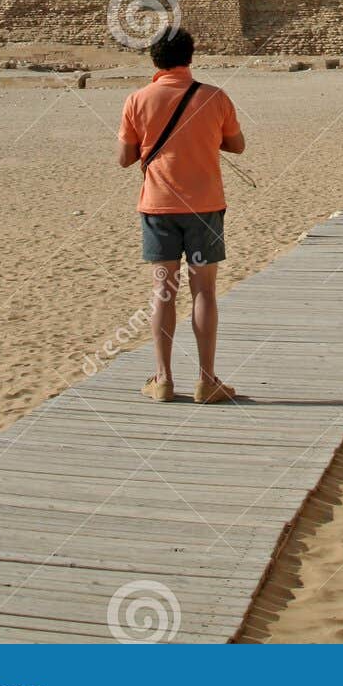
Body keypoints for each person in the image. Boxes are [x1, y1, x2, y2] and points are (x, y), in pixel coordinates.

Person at [117, 25, 245, 403]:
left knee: (163, 291)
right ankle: (207, 380)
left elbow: (124, 159)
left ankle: (163, 379)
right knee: (204, 290)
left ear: (154, 60)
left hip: (158, 208)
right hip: (205, 207)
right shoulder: (215, 97)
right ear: (190, 57)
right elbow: (237, 146)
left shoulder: (137, 100)